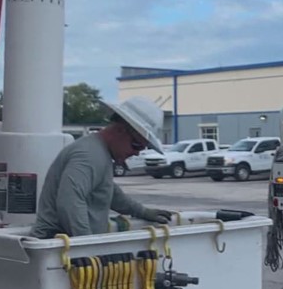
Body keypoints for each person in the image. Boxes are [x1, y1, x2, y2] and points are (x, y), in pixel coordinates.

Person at [28, 96, 176, 239]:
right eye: (136, 145)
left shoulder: (98, 152)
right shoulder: (90, 155)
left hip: (65, 247)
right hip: (58, 248)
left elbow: (110, 193)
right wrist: (87, 246)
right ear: (120, 130)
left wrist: (142, 212)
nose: (137, 153)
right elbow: (70, 200)